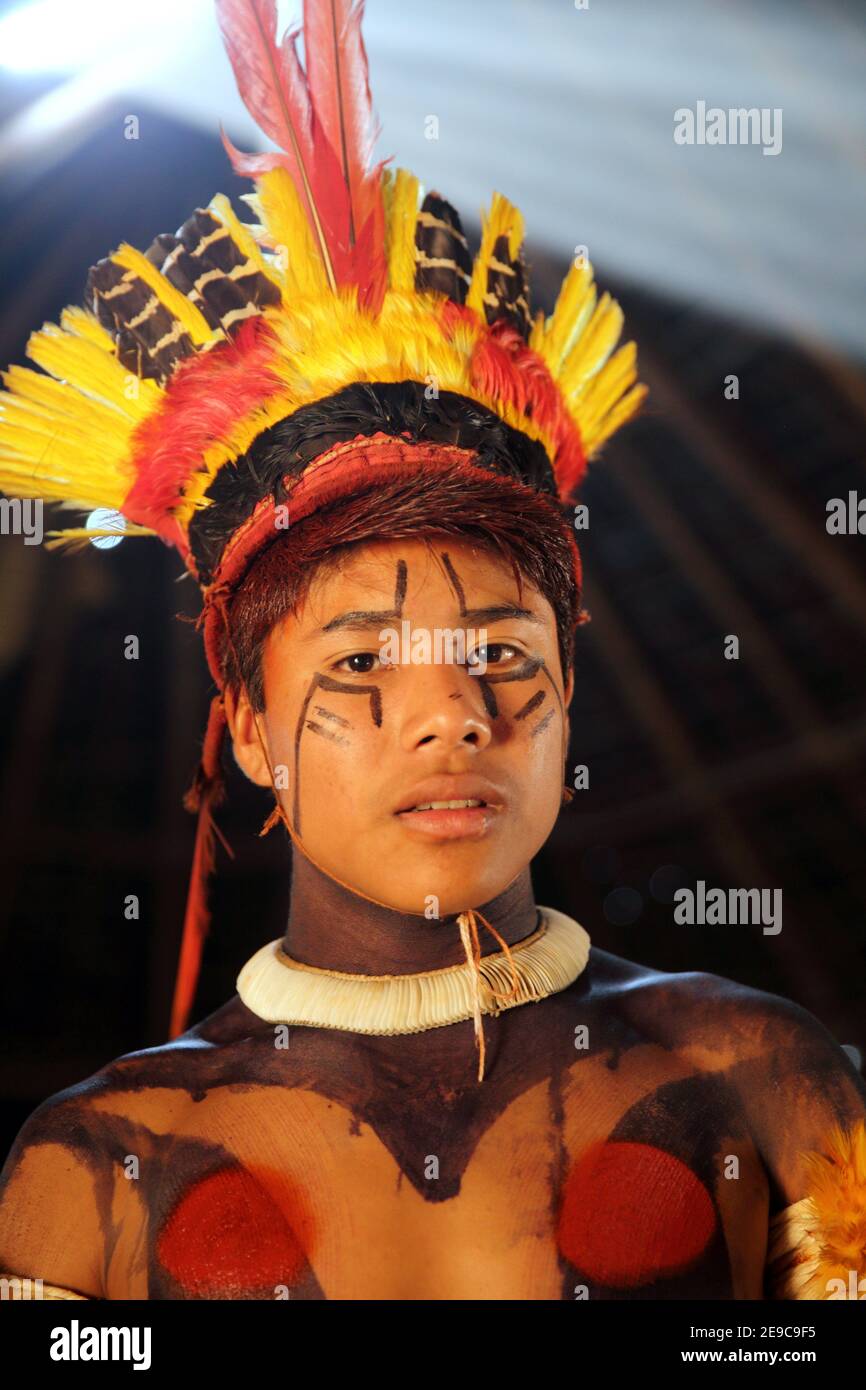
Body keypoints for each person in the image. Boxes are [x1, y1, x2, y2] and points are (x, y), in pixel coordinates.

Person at [0, 0, 864, 1301]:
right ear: (247, 723)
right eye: (359, 666)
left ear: (567, 694)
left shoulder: (763, 1083)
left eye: (502, 658)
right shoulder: (100, 1166)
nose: (451, 716)